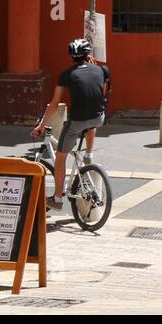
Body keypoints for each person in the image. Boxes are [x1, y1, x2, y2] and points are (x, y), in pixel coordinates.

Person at [32, 39, 109, 210]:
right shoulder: (102, 70)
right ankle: (88, 155)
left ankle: (57, 199)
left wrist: (41, 126)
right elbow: (101, 93)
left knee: (61, 158)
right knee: (92, 118)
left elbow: (54, 104)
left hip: (77, 121)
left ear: (71, 56)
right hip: (99, 118)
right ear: (88, 55)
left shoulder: (66, 75)